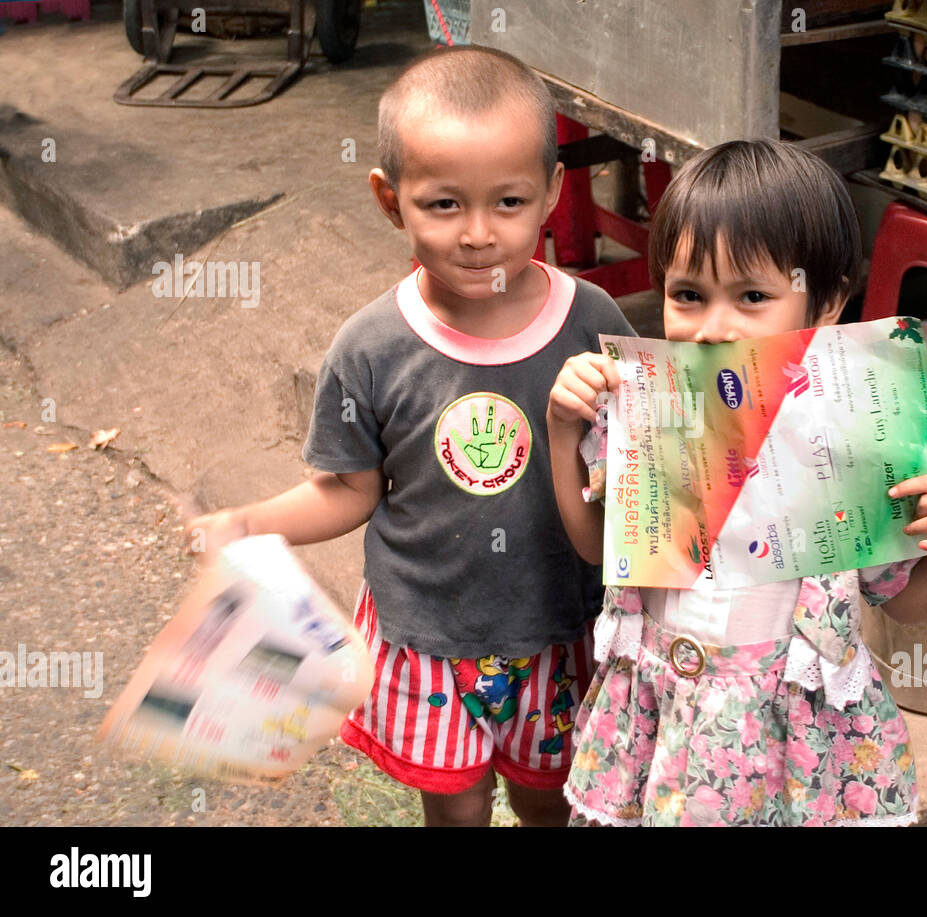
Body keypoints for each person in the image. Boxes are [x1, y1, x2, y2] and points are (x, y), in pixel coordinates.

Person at [185, 46, 634, 826]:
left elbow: (641, 467)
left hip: (561, 628)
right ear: (391, 201)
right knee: (455, 813)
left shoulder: (594, 322)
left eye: (509, 202)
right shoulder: (370, 347)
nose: (478, 234)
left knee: (550, 804)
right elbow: (348, 487)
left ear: (555, 193)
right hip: (426, 633)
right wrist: (251, 523)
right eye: (444, 204)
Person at [546, 139, 927, 826]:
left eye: (752, 297)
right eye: (688, 295)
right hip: (661, 723)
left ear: (824, 301)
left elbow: (906, 603)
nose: (713, 328)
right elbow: (595, 545)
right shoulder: (649, 413)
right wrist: (565, 430)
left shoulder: (855, 436)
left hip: (791, 748)